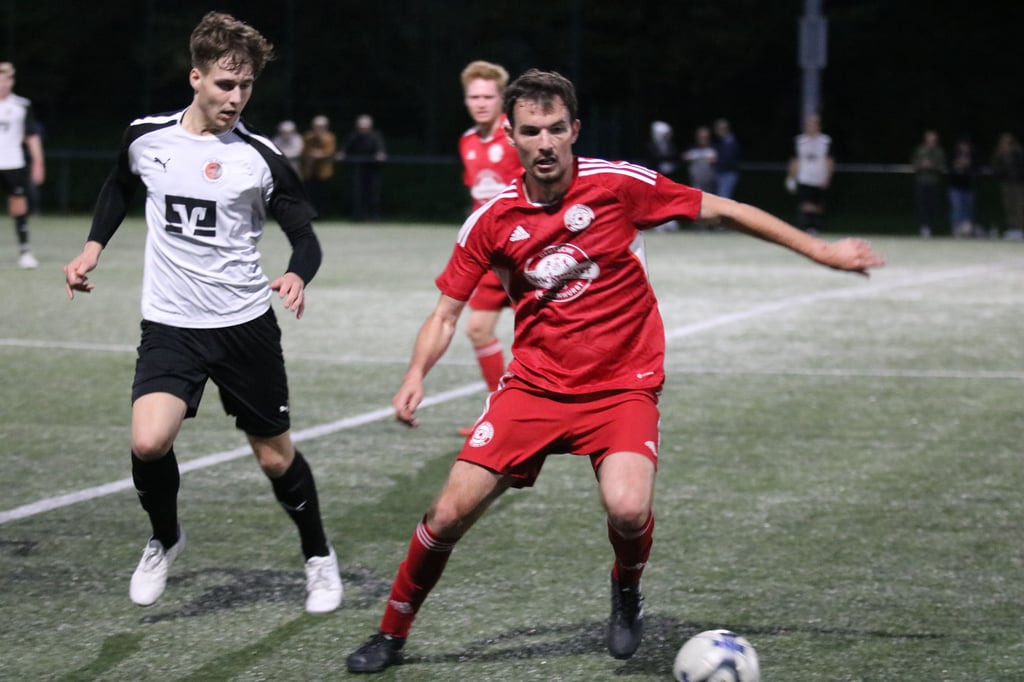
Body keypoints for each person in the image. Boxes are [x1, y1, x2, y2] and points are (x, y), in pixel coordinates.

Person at [344, 68, 885, 673]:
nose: (545, 143)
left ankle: (626, 589)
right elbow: (446, 313)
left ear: (574, 130)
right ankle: (391, 634)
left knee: (627, 509)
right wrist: (415, 373)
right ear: (511, 134)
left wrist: (821, 250)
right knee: (447, 514)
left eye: (556, 129)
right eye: (531, 131)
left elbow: (723, 209)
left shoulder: (618, 185)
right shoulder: (492, 220)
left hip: (622, 385)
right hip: (535, 387)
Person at [61, 11, 342, 615]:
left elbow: (305, 237)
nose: (235, 98)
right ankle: (164, 539)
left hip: (244, 328)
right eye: (225, 84)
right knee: (148, 442)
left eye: (246, 86)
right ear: (196, 77)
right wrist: (91, 248)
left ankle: (318, 555)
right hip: (171, 324)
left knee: (274, 457)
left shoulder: (262, 158)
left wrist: (298, 273)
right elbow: (118, 185)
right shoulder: (147, 138)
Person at [455, 60, 523, 436]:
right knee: (478, 329)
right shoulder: (467, 141)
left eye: (487, 96)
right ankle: (499, 412)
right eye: (474, 97)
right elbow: (478, 199)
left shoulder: (518, 136)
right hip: (489, 257)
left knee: (547, 337)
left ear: (501, 99)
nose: (480, 103)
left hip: (526, 255)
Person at [0, 61, 45, 269]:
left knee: (18, 204)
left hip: (13, 162)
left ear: (11, 81)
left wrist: (38, 162)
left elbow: (31, 136)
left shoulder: (21, 105)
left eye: (6, 80)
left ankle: (25, 251)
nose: (3, 84)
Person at [786, 112, 833, 235]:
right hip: (804, 177)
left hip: (819, 178)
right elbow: (794, 160)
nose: (811, 126)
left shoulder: (826, 141)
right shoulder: (799, 141)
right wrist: (791, 178)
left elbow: (829, 160)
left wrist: (827, 177)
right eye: (808, 124)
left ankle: (815, 227)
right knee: (804, 204)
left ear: (819, 126)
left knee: (819, 206)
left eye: (814, 124)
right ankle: (808, 228)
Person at [337, 113, 387, 221]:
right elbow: (344, 149)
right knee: (358, 194)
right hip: (358, 170)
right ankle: (359, 217)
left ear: (370, 126)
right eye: (361, 127)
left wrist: (380, 154)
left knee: (374, 194)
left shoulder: (376, 136)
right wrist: (341, 153)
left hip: (373, 170)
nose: (363, 129)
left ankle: (375, 217)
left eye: (365, 127)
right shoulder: (353, 136)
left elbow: (380, 150)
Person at [910, 129, 947, 238]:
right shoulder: (920, 150)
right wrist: (921, 165)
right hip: (921, 182)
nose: (932, 141)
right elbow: (914, 165)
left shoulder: (939, 152)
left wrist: (933, 166)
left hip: (934, 182)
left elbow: (942, 166)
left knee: (933, 206)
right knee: (922, 206)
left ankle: (933, 227)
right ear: (926, 140)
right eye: (930, 139)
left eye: (934, 140)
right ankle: (924, 227)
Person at [990, 132, 1024, 240]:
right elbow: (996, 168)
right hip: (1006, 183)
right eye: (1003, 142)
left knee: (1019, 206)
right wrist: (999, 155)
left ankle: (1020, 229)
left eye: (1008, 142)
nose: (1005, 144)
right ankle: (1013, 229)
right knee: (1008, 207)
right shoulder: (1000, 154)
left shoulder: (1018, 152)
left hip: (1019, 183)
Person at [301, 114, 337, 216]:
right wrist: (312, 154)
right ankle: (309, 214)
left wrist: (320, 154)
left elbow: (330, 151)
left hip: (323, 172)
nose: (318, 128)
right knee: (309, 194)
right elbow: (304, 152)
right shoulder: (307, 137)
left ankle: (323, 215)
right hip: (309, 171)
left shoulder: (329, 137)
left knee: (322, 194)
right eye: (316, 126)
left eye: (321, 126)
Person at [948, 137, 978, 238]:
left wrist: (968, 165)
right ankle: (956, 229)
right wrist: (957, 165)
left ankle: (967, 231)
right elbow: (949, 167)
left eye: (966, 145)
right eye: (962, 144)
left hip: (968, 187)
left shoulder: (972, 156)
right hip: (955, 187)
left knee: (968, 209)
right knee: (957, 209)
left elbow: (977, 168)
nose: (965, 147)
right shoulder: (954, 155)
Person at [713, 118, 740, 200]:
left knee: (723, 198)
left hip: (727, 173)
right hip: (722, 173)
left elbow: (728, 158)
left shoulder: (730, 142)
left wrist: (716, 160)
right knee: (720, 197)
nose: (716, 132)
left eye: (718, 129)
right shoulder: (722, 142)